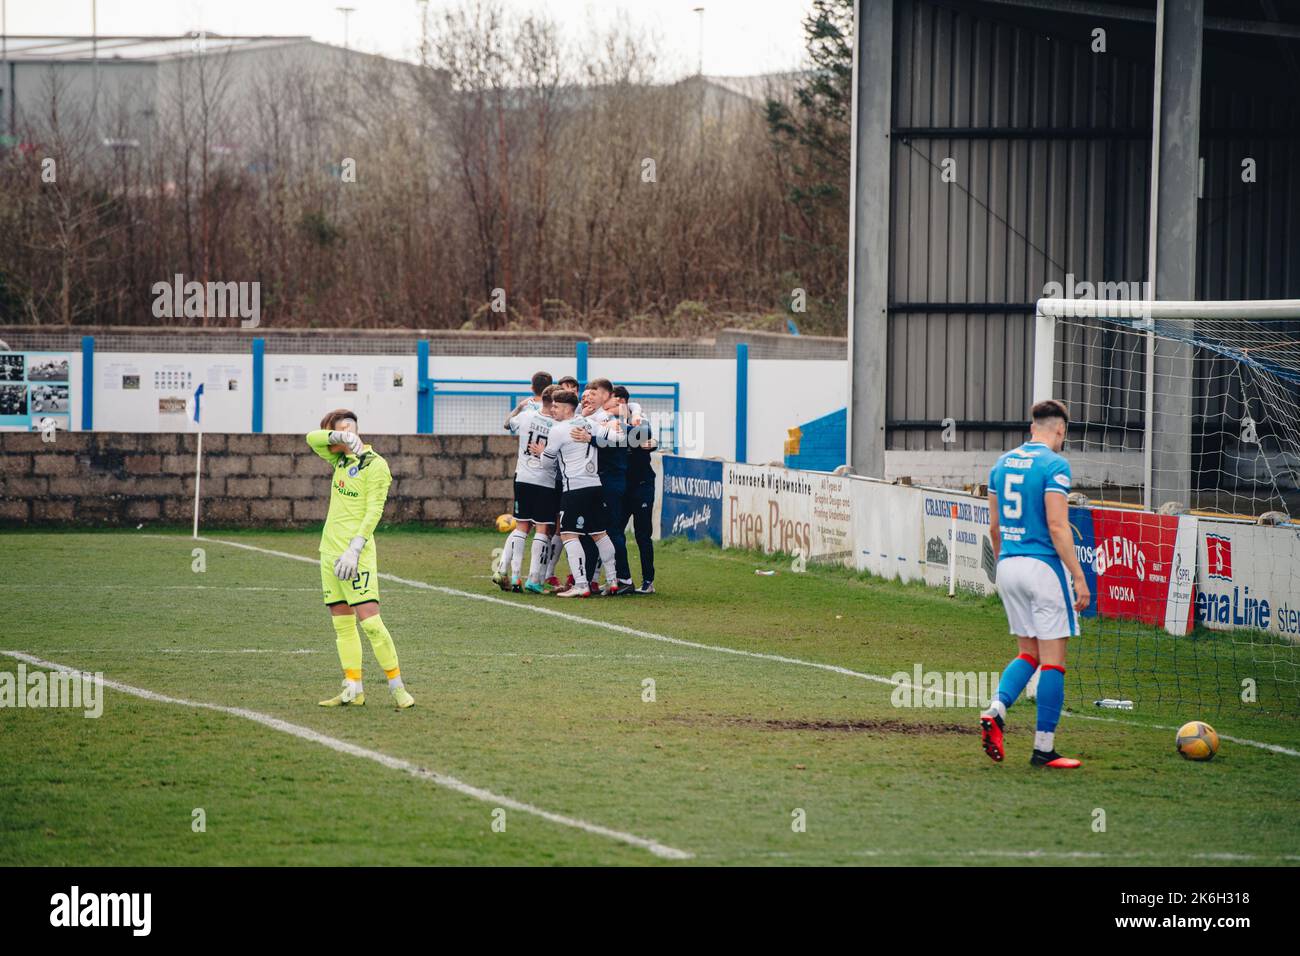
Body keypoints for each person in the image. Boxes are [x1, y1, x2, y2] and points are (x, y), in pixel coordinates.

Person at [980, 399, 1090, 768]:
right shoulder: (1054, 465)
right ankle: (1044, 748)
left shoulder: (1001, 463)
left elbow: (994, 528)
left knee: (1028, 653)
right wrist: (1077, 575)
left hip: (1008, 564)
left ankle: (996, 708)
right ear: (1060, 430)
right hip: (1042, 568)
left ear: (1032, 427)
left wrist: (1004, 564)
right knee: (1054, 662)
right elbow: (1058, 526)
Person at [307, 410, 414, 710]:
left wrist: (355, 548)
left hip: (357, 555)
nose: (328, 443)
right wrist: (337, 437)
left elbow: (374, 511)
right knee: (342, 626)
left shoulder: (375, 465)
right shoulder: (338, 458)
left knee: (372, 624)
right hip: (329, 552)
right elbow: (311, 439)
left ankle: (397, 687)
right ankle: (353, 689)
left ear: (350, 432)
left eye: (335, 435)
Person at [542, 390, 621, 597]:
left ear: (567, 408)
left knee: (568, 534)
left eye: (556, 406)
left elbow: (546, 462)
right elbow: (617, 438)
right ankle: (612, 581)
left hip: (574, 488)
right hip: (595, 486)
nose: (552, 410)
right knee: (599, 533)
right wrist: (592, 437)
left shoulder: (558, 430)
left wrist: (542, 453)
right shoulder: (590, 424)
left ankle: (581, 584)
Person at [498, 385, 559, 594]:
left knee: (521, 527)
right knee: (542, 528)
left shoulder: (526, 416)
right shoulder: (558, 425)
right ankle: (534, 579)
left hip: (523, 478)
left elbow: (507, 423)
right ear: (555, 403)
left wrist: (518, 407)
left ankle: (515, 577)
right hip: (546, 481)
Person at [614, 385, 658, 593]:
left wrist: (651, 442)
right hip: (622, 488)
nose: (616, 406)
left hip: (642, 486)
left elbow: (645, 436)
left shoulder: (640, 420)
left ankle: (648, 581)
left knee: (642, 535)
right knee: (613, 532)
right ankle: (620, 578)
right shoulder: (608, 423)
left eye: (619, 402)